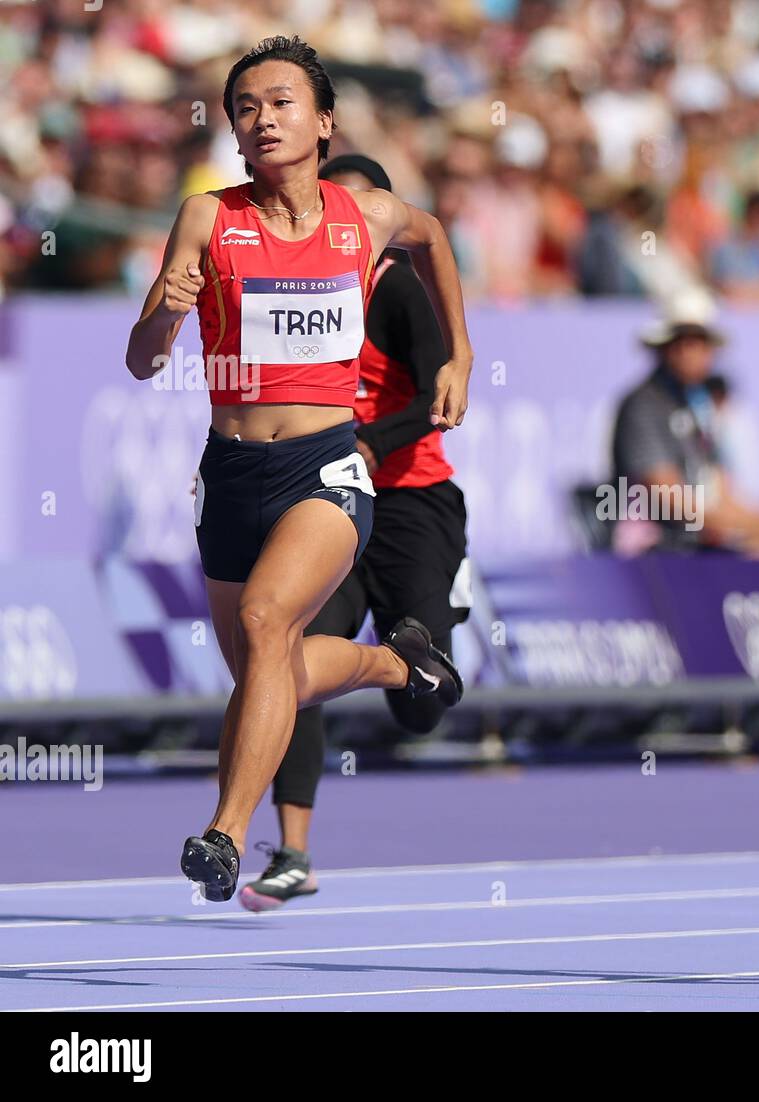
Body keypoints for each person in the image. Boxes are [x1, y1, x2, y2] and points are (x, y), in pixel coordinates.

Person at [124, 36, 473, 903]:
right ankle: (394, 663)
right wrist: (163, 320)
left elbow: (434, 240)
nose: (263, 118)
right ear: (235, 133)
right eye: (246, 108)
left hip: (326, 468)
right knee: (260, 672)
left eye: (281, 102)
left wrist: (458, 355)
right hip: (231, 472)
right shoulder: (209, 216)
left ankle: (226, 834)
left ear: (323, 123)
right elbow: (139, 360)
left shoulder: (369, 217)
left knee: (269, 619)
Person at [239, 154, 472, 911]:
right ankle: (292, 852)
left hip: (411, 504)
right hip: (328, 502)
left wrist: (369, 439)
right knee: (283, 661)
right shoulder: (298, 288)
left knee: (420, 712)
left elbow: (440, 395)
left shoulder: (399, 289)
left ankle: (414, 655)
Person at [611, 289, 759, 557]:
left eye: (703, 343)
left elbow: (719, 493)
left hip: (698, 540)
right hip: (656, 550)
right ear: (669, 347)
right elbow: (671, 502)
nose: (698, 353)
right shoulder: (642, 406)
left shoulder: (697, 406)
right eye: (688, 341)